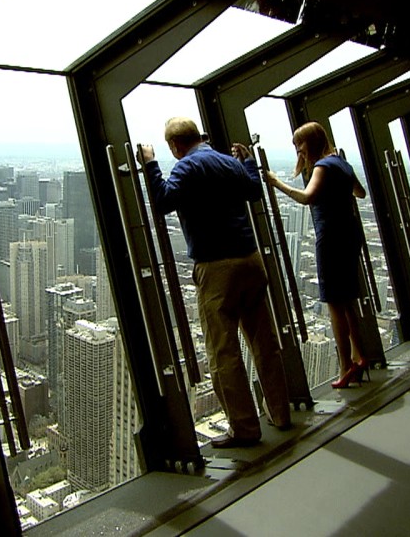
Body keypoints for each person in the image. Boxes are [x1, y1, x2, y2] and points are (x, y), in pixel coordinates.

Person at [138, 117, 291, 449]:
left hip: (217, 268)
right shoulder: (226, 160)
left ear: (175, 146)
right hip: (251, 260)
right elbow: (254, 190)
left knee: (224, 352)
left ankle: (245, 428)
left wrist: (150, 165)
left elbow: (163, 201)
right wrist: (248, 161)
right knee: (264, 341)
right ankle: (280, 412)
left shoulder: (187, 166)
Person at [265, 122, 369, 389]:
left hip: (332, 237)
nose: (298, 149)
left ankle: (346, 366)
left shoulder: (323, 167)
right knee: (349, 302)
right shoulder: (340, 163)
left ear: (310, 142)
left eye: (300, 144)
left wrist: (276, 183)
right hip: (350, 233)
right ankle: (360, 356)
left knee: (335, 304)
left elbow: (307, 198)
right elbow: (360, 192)